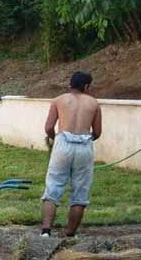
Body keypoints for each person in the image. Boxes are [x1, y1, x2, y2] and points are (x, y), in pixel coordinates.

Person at [40, 71, 101, 239]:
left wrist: (55, 139)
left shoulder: (59, 100)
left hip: (62, 143)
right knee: (81, 191)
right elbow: (97, 132)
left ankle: (46, 231)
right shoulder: (94, 103)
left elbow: (48, 127)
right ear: (87, 86)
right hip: (84, 145)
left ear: (70, 84)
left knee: (53, 186)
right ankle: (70, 233)